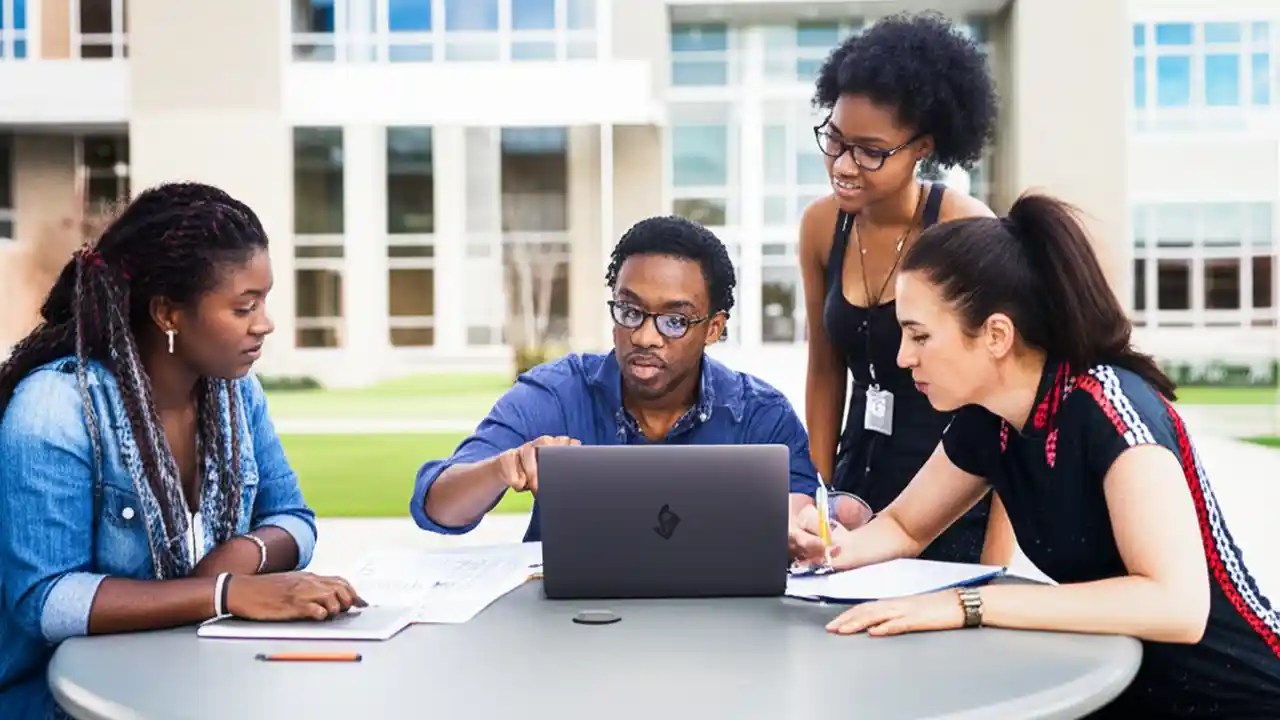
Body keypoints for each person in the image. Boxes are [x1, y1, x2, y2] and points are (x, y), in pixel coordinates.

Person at [790, 193, 1280, 717]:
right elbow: (906, 526)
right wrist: (828, 549)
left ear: (997, 335)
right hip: (1123, 689)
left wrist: (965, 606)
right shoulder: (988, 418)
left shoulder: (1110, 409)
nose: (903, 357)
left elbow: (1177, 606)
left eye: (919, 336)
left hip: (1240, 697)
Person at [0, 183, 363, 719]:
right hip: (61, 701)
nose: (265, 323)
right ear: (169, 313)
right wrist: (225, 594)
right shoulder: (57, 408)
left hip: (191, 684)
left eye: (264, 301)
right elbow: (46, 601)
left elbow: (293, 518)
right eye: (244, 306)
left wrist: (246, 554)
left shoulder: (237, 393)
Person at [412, 216, 828, 540]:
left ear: (714, 328)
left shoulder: (759, 414)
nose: (645, 336)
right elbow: (436, 508)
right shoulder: (555, 393)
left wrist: (800, 522)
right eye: (630, 312)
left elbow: (802, 512)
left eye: (674, 321)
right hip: (568, 628)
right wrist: (502, 468)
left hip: (714, 630)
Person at [799, 11, 1011, 562]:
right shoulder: (822, 227)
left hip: (948, 505)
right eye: (835, 140)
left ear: (922, 147)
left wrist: (995, 560)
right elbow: (825, 372)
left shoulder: (965, 228)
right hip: (853, 501)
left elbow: (1011, 393)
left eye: (870, 150)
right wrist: (815, 502)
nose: (843, 164)